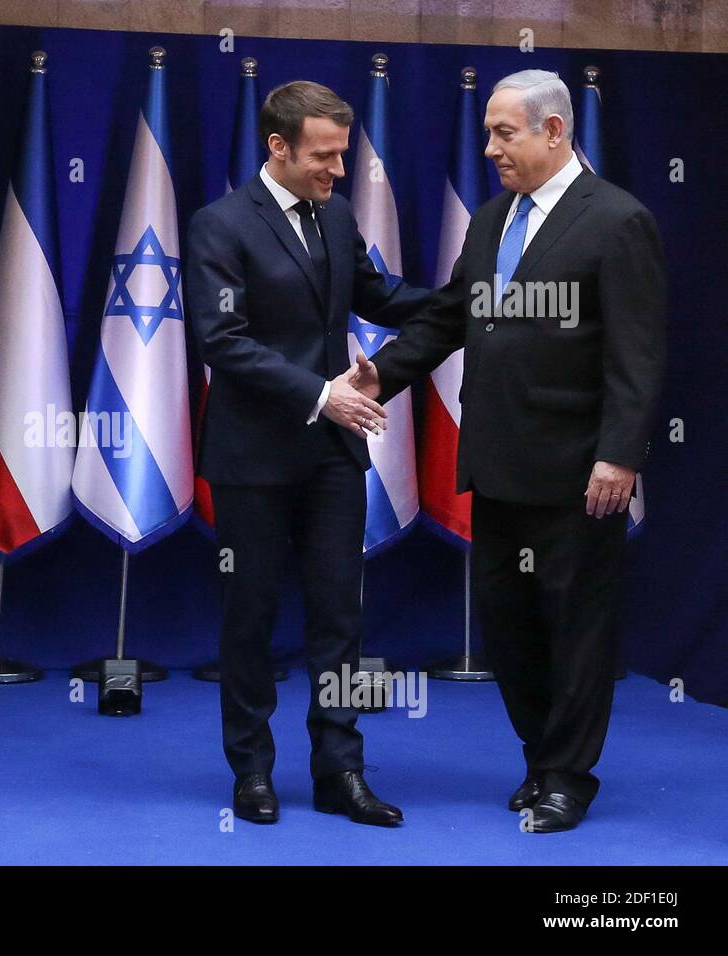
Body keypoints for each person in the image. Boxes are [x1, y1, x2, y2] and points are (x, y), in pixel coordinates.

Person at [351, 70, 666, 832]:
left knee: (576, 628)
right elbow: (450, 319)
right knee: (510, 624)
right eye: (489, 132)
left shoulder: (618, 220)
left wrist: (620, 455)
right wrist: (377, 376)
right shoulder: (492, 219)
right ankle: (539, 757)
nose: (490, 147)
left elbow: (639, 354)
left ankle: (568, 777)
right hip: (496, 463)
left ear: (554, 131)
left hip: (579, 472)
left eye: (504, 133)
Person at [185, 80, 430, 826]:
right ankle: (252, 773)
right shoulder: (217, 225)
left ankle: (340, 772)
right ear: (278, 147)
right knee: (250, 618)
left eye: (342, 156)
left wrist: (468, 300)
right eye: (324, 157)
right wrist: (324, 394)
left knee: (339, 621)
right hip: (254, 457)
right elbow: (221, 341)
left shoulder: (337, 213)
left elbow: (378, 294)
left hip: (331, 457)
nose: (337, 170)